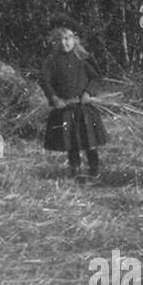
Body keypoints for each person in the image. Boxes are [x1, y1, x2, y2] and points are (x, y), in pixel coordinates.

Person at [39, 26, 107, 181]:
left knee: (89, 140)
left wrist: (88, 92)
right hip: (65, 108)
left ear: (74, 40)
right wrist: (54, 98)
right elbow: (45, 81)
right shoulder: (52, 61)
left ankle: (94, 169)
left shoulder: (82, 58)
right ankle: (75, 170)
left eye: (67, 39)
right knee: (71, 141)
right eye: (60, 40)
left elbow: (96, 78)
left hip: (83, 107)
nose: (64, 43)